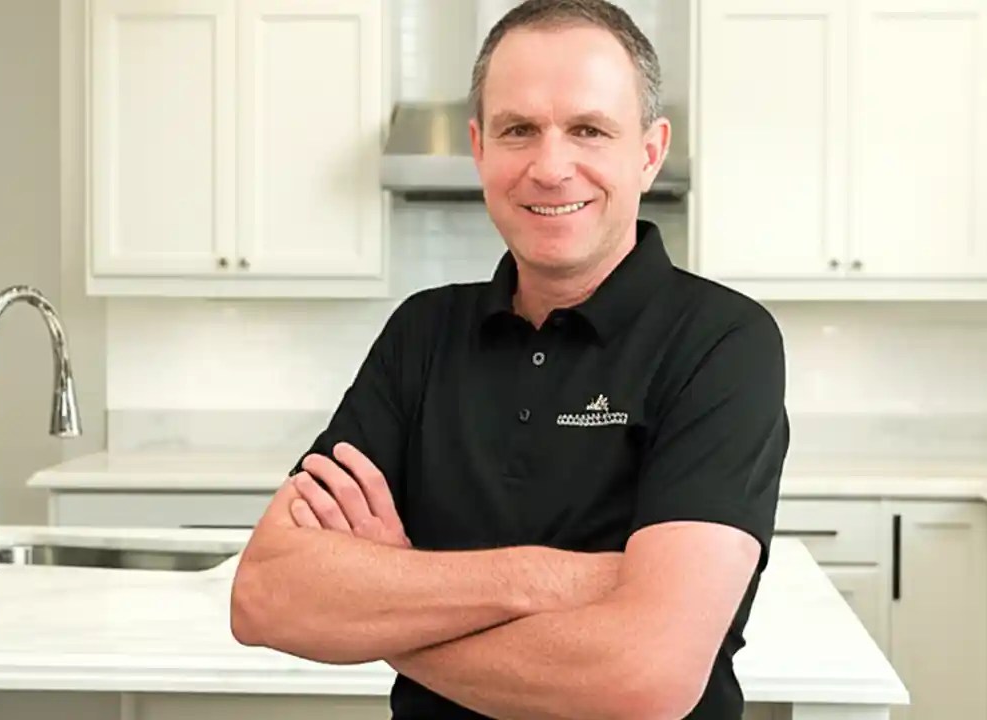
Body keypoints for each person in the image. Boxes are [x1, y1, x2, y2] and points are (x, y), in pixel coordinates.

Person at [229, 0, 789, 717]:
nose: (550, 167)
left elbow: (647, 678)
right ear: (480, 148)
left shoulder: (721, 339)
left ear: (649, 151)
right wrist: (545, 579)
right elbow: (266, 597)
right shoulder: (423, 332)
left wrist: (389, 598)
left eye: (588, 129)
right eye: (519, 129)